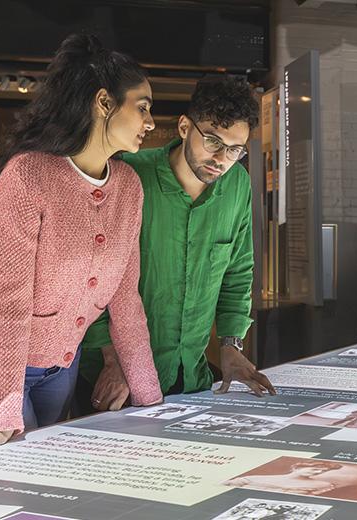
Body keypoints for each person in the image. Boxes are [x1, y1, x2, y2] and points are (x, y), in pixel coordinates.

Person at [0, 34, 162, 451]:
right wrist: (5, 413)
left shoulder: (129, 186)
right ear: (103, 102)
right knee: (18, 469)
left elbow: (126, 302)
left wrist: (151, 402)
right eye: (143, 107)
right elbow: (8, 305)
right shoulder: (28, 176)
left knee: (49, 469)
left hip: (59, 366)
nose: (150, 122)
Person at [77, 76, 274, 412]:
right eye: (212, 141)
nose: (221, 159)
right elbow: (89, 279)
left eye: (234, 150)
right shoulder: (128, 175)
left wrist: (230, 345)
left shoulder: (237, 185)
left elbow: (237, 272)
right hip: (112, 380)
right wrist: (112, 357)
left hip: (189, 377)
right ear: (184, 127)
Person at [223, 461, 343, 496]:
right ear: (297, 467)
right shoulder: (253, 478)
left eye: (323, 471)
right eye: (315, 469)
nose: (319, 472)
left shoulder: (322, 485)